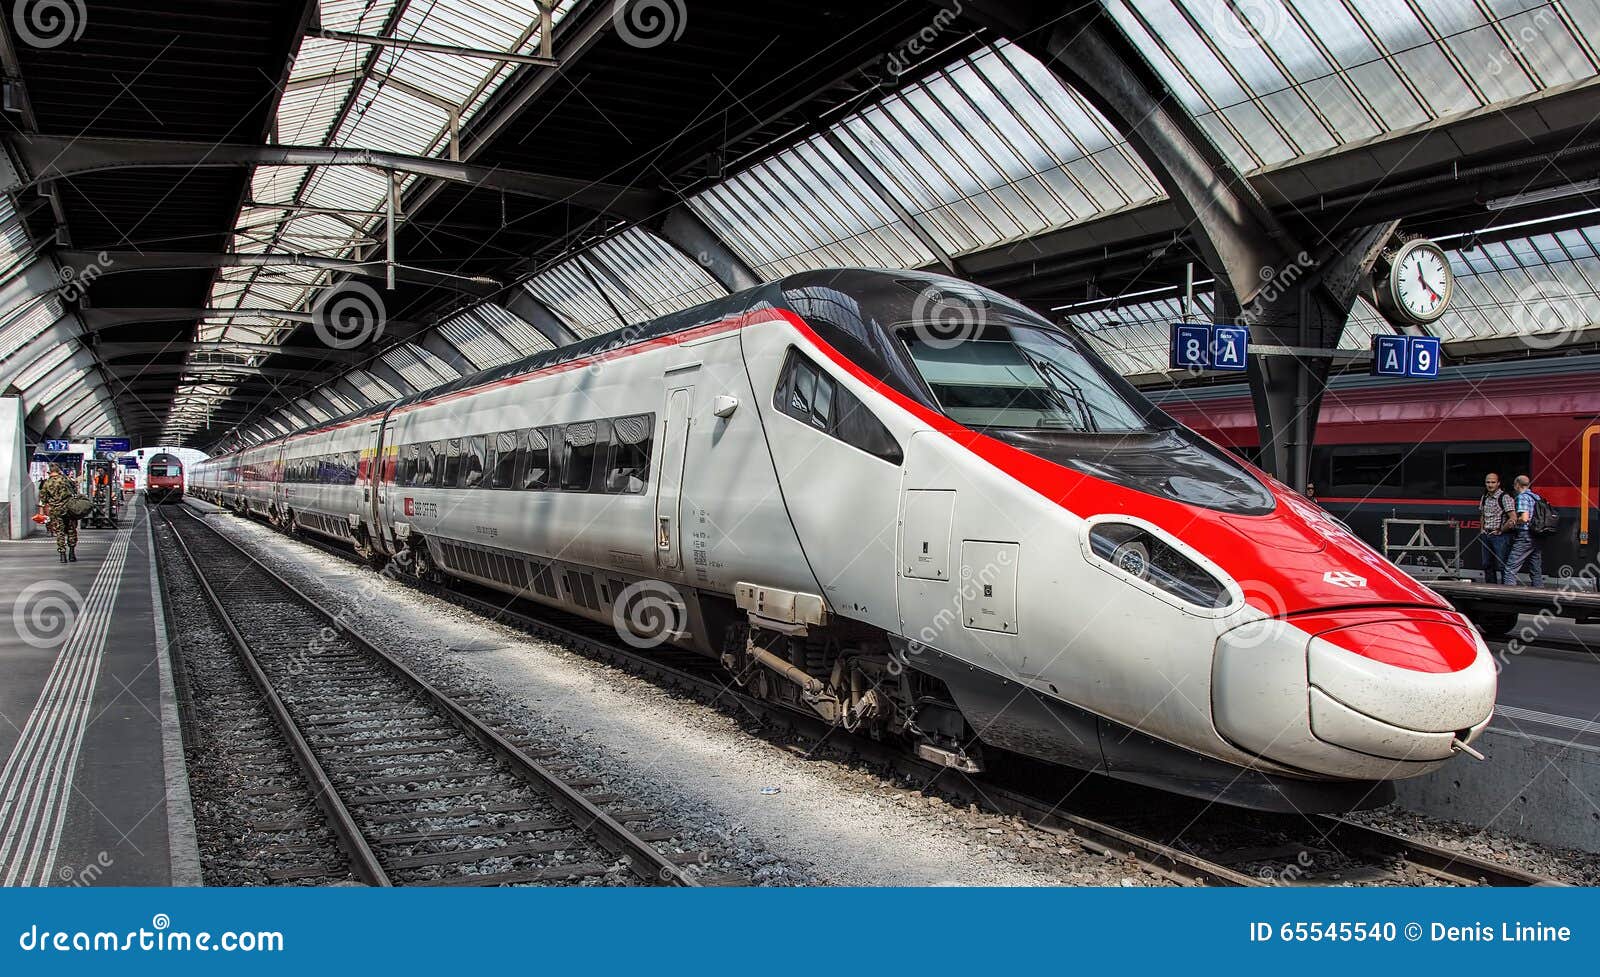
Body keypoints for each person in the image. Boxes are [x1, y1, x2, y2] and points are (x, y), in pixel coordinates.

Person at [1502, 474, 1545, 588]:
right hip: (1537, 535)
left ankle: (1509, 597)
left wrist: (1515, 522)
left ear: (1517, 485)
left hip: (1525, 535)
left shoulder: (1523, 497)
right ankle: (1539, 595)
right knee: (1536, 570)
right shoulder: (1536, 497)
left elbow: (1525, 518)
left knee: (1510, 569)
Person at [36, 463, 81, 564]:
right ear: (59, 471)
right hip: (69, 509)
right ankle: (72, 553)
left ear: (50, 472)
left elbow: (43, 499)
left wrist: (43, 510)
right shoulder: (66, 480)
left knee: (59, 532)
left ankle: (62, 555)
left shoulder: (47, 483)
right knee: (71, 530)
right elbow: (75, 491)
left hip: (55, 511)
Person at [1478, 472, 1514, 583]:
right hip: (1487, 535)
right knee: (1487, 564)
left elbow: (1513, 518)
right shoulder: (1484, 497)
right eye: (1488, 482)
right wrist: (1482, 529)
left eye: (1493, 482)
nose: (1490, 485)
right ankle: (1490, 589)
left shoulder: (1505, 497)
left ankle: (1505, 591)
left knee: (1502, 564)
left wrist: (1501, 530)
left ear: (1498, 483)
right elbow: (1482, 515)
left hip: (1500, 537)